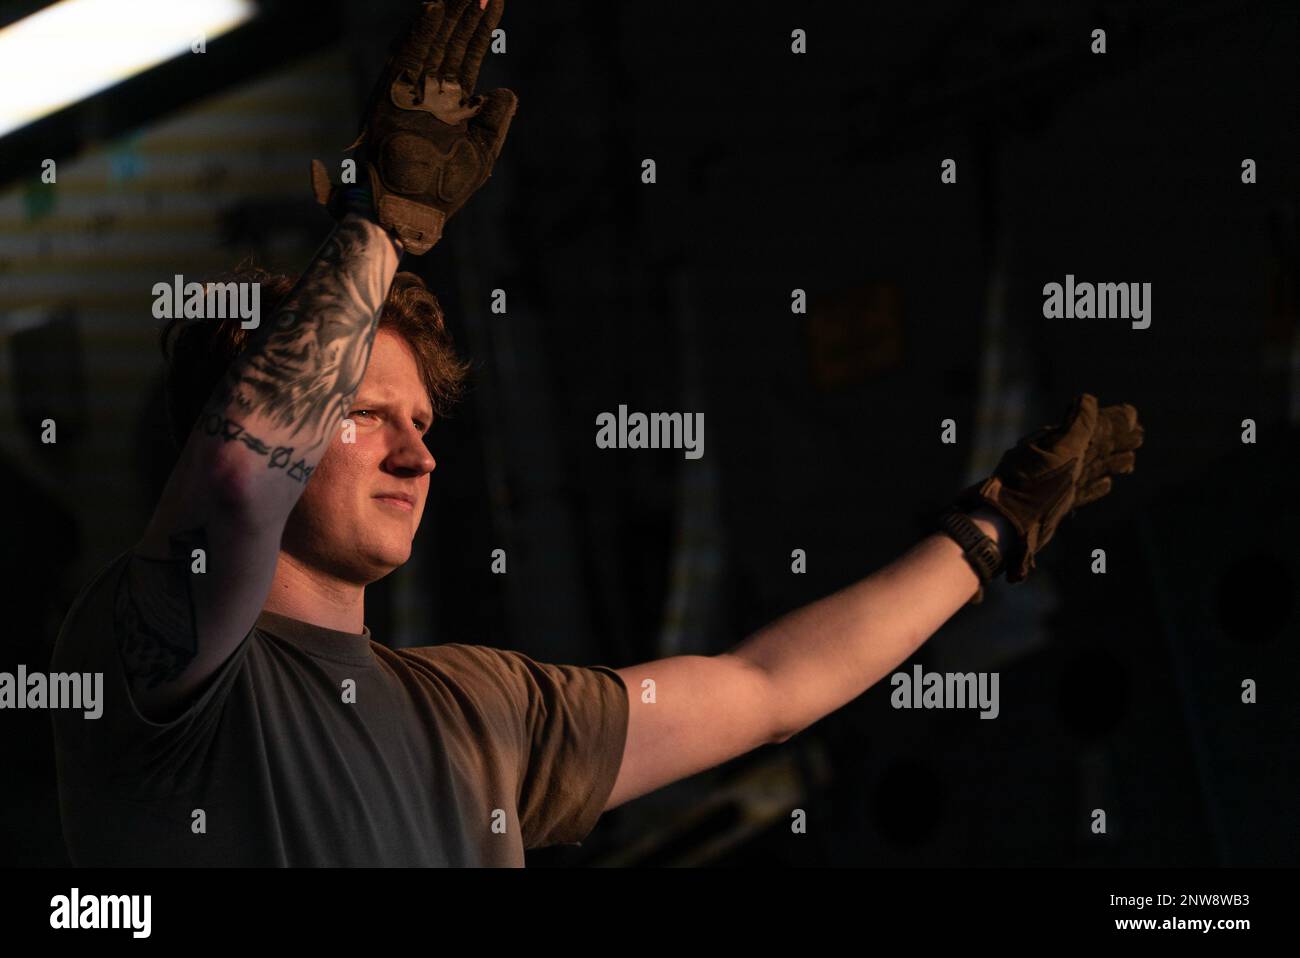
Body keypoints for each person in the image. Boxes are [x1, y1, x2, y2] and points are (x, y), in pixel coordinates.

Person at [50, 0, 1144, 866]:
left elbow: (766, 687)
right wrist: (379, 225)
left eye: (423, 421)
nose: (416, 453)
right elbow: (244, 481)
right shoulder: (162, 666)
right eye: (364, 413)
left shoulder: (480, 709)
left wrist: (988, 535)